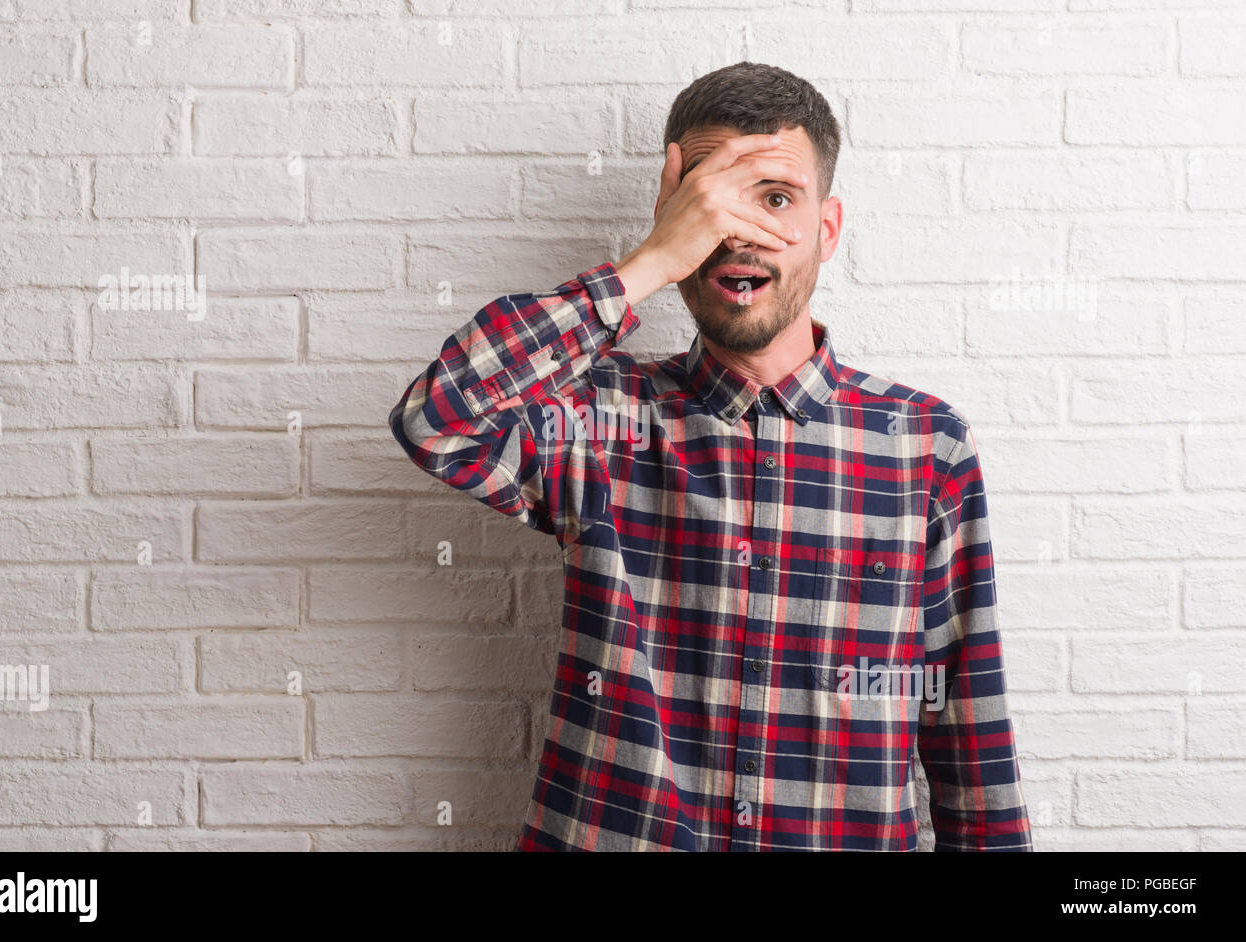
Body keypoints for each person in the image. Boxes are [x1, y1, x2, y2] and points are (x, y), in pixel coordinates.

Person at [389, 61, 1032, 851]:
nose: (743, 233)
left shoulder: (926, 446)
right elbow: (436, 419)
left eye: (774, 199)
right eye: (710, 201)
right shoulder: (596, 419)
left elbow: (968, 726)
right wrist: (647, 264)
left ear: (827, 230)